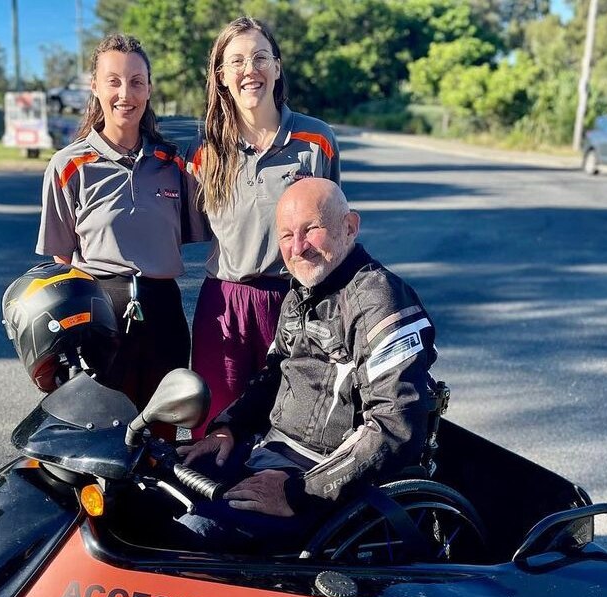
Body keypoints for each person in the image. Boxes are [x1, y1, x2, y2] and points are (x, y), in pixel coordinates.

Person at [175, 178, 436, 552]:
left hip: (320, 479)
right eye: (286, 235)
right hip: (268, 451)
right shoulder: (302, 290)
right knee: (150, 487)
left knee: (193, 533)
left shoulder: (379, 299)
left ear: (349, 226)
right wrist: (228, 428)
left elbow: (396, 426)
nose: (297, 248)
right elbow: (273, 377)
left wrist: (300, 492)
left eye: (311, 229)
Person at [186, 17, 341, 435]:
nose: (249, 69)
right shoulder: (204, 151)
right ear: (221, 76)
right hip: (225, 305)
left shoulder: (317, 141)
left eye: (259, 58)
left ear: (276, 66)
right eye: (236, 61)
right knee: (217, 431)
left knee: (293, 430)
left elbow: (334, 240)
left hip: (296, 301)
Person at [36, 34, 197, 412]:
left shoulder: (174, 164)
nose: (126, 93)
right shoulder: (68, 166)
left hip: (164, 317)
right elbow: (62, 261)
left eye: (136, 82)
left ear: (149, 89)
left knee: (162, 430)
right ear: (94, 86)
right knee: (104, 430)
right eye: (114, 81)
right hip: (98, 319)